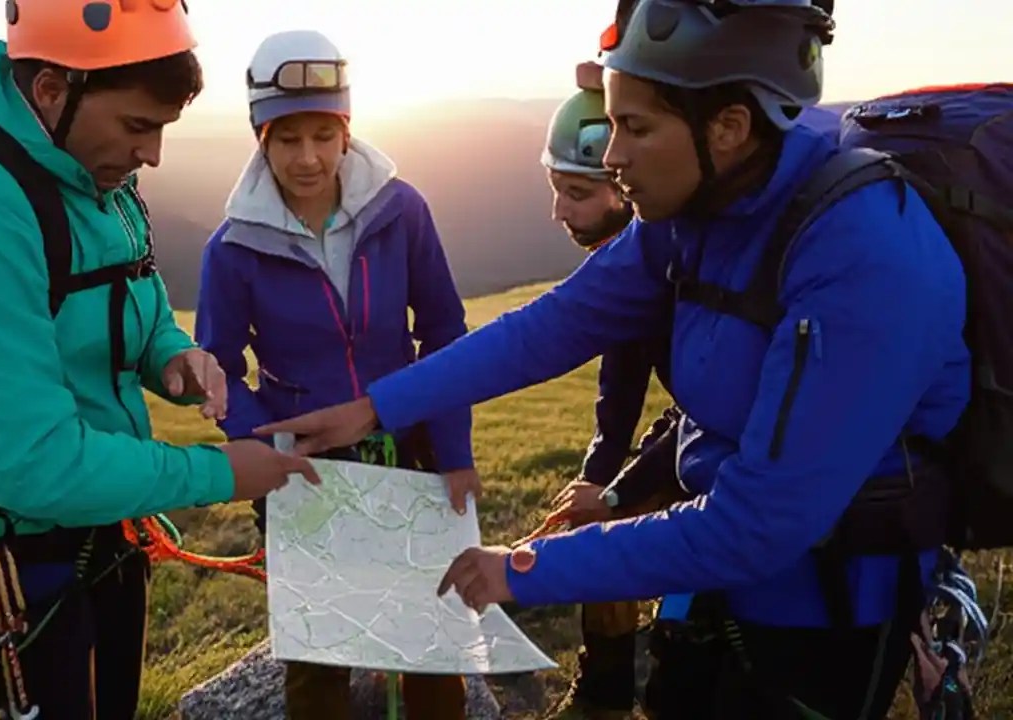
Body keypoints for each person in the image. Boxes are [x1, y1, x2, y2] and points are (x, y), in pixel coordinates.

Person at [258, 1, 971, 717]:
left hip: (826, 612)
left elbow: (756, 525)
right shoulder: (703, 203)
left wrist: (521, 570)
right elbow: (551, 327)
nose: (610, 157)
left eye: (635, 127)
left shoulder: (866, 258)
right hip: (710, 576)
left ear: (729, 127)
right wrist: (379, 406)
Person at [0, 2, 317, 717]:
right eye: (139, 126)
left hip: (98, 537)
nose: (153, 155)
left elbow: (137, 294)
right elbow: (35, 466)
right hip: (7, 562)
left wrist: (170, 356)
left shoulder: (89, 171)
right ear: (51, 88)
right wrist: (222, 472)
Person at [194, 29, 479, 720]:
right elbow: (219, 368)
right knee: (318, 656)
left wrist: (454, 455)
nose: (309, 157)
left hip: (408, 453)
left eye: (325, 133)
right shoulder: (234, 247)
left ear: (347, 128)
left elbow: (443, 331)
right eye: (287, 137)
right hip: (304, 476)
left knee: (431, 641)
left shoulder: (401, 210)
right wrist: (267, 447)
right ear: (259, 136)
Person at [537, 73, 688, 720]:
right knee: (596, 519)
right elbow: (619, 395)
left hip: (733, 439)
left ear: (627, 188)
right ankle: (604, 691)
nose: (559, 211)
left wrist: (618, 492)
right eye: (557, 190)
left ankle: (663, 687)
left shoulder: (688, 266)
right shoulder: (635, 267)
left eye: (577, 192)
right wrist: (593, 486)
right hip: (695, 425)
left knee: (644, 537)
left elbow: (720, 411)